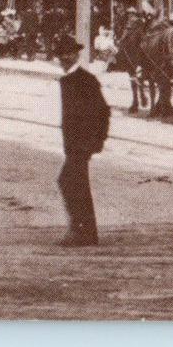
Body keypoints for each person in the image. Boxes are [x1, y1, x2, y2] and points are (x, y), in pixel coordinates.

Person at [51, 33, 109, 247]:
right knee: (74, 183)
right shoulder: (71, 79)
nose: (62, 60)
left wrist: (96, 141)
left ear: (72, 57)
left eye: (64, 56)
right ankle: (84, 231)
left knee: (70, 182)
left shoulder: (85, 80)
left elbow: (103, 111)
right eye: (61, 56)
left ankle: (82, 231)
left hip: (81, 143)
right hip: (75, 143)